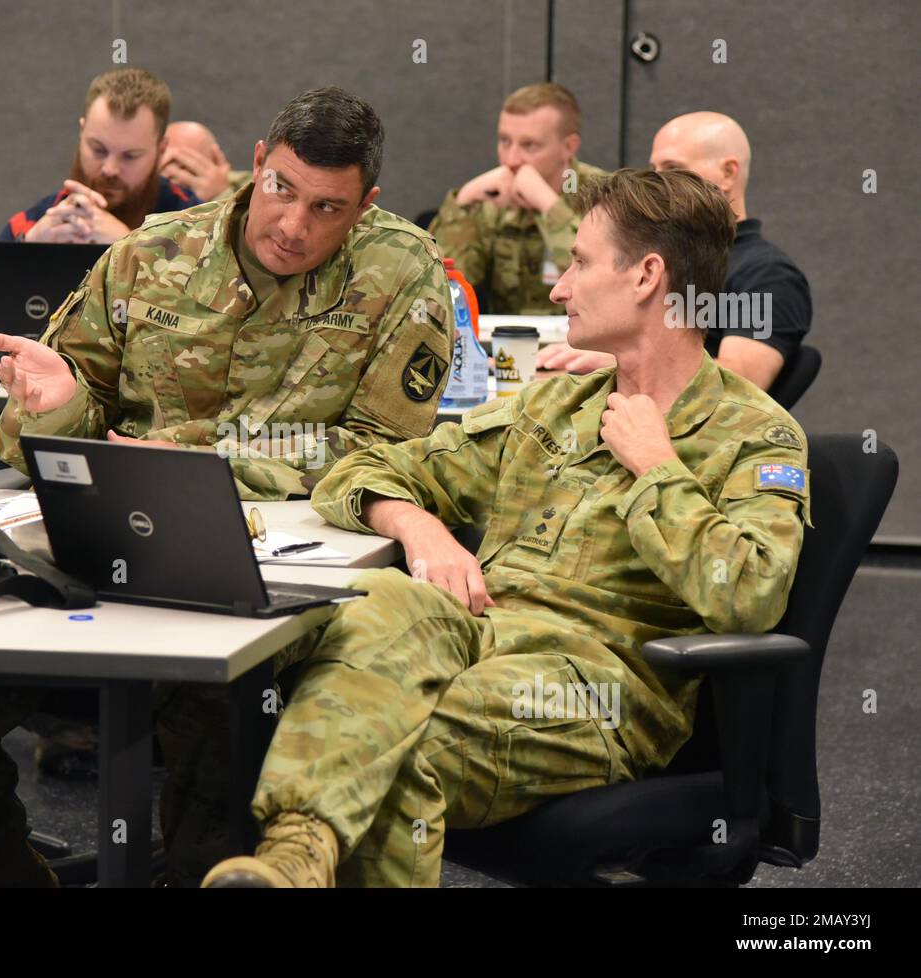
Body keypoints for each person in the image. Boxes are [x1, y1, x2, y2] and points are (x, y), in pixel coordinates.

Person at [0, 86, 456, 887]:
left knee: (216, 745)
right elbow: (63, 418)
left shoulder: (403, 271)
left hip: (264, 577)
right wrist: (59, 402)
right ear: (256, 164)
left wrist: (192, 452)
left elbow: (382, 451)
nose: (294, 224)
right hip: (100, 552)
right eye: (282, 189)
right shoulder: (152, 253)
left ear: (366, 205)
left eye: (328, 207)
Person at [201, 168, 811, 888]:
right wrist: (421, 529)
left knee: (386, 744)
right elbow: (369, 469)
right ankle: (298, 863)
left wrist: (657, 470)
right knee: (385, 603)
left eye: (579, 264)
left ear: (648, 276)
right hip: (484, 638)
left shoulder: (756, 435)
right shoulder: (557, 405)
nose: (559, 288)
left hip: (598, 689)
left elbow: (750, 594)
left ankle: (295, 858)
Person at [539, 112, 811, 391]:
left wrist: (619, 361)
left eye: (672, 167)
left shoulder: (767, 275)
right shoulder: (656, 252)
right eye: (653, 168)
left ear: (728, 173)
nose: (657, 182)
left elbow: (742, 384)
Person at [428, 82, 605, 314]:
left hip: (583, 344)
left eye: (529, 145)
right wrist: (464, 202)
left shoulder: (605, 196)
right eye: (504, 141)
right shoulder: (491, 197)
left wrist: (548, 205)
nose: (511, 160)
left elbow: (599, 286)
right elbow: (439, 289)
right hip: (504, 341)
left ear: (568, 147)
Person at [0, 68, 200, 244]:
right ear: (82, 132)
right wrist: (27, 251)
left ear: (161, 148)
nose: (109, 169)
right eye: (98, 150)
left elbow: (210, 285)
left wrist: (129, 247)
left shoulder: (197, 223)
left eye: (130, 156)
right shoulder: (31, 224)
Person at [161, 120, 252, 201]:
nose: (175, 173)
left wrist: (221, 196)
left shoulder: (250, 186)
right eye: (167, 163)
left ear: (217, 161)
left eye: (187, 167)